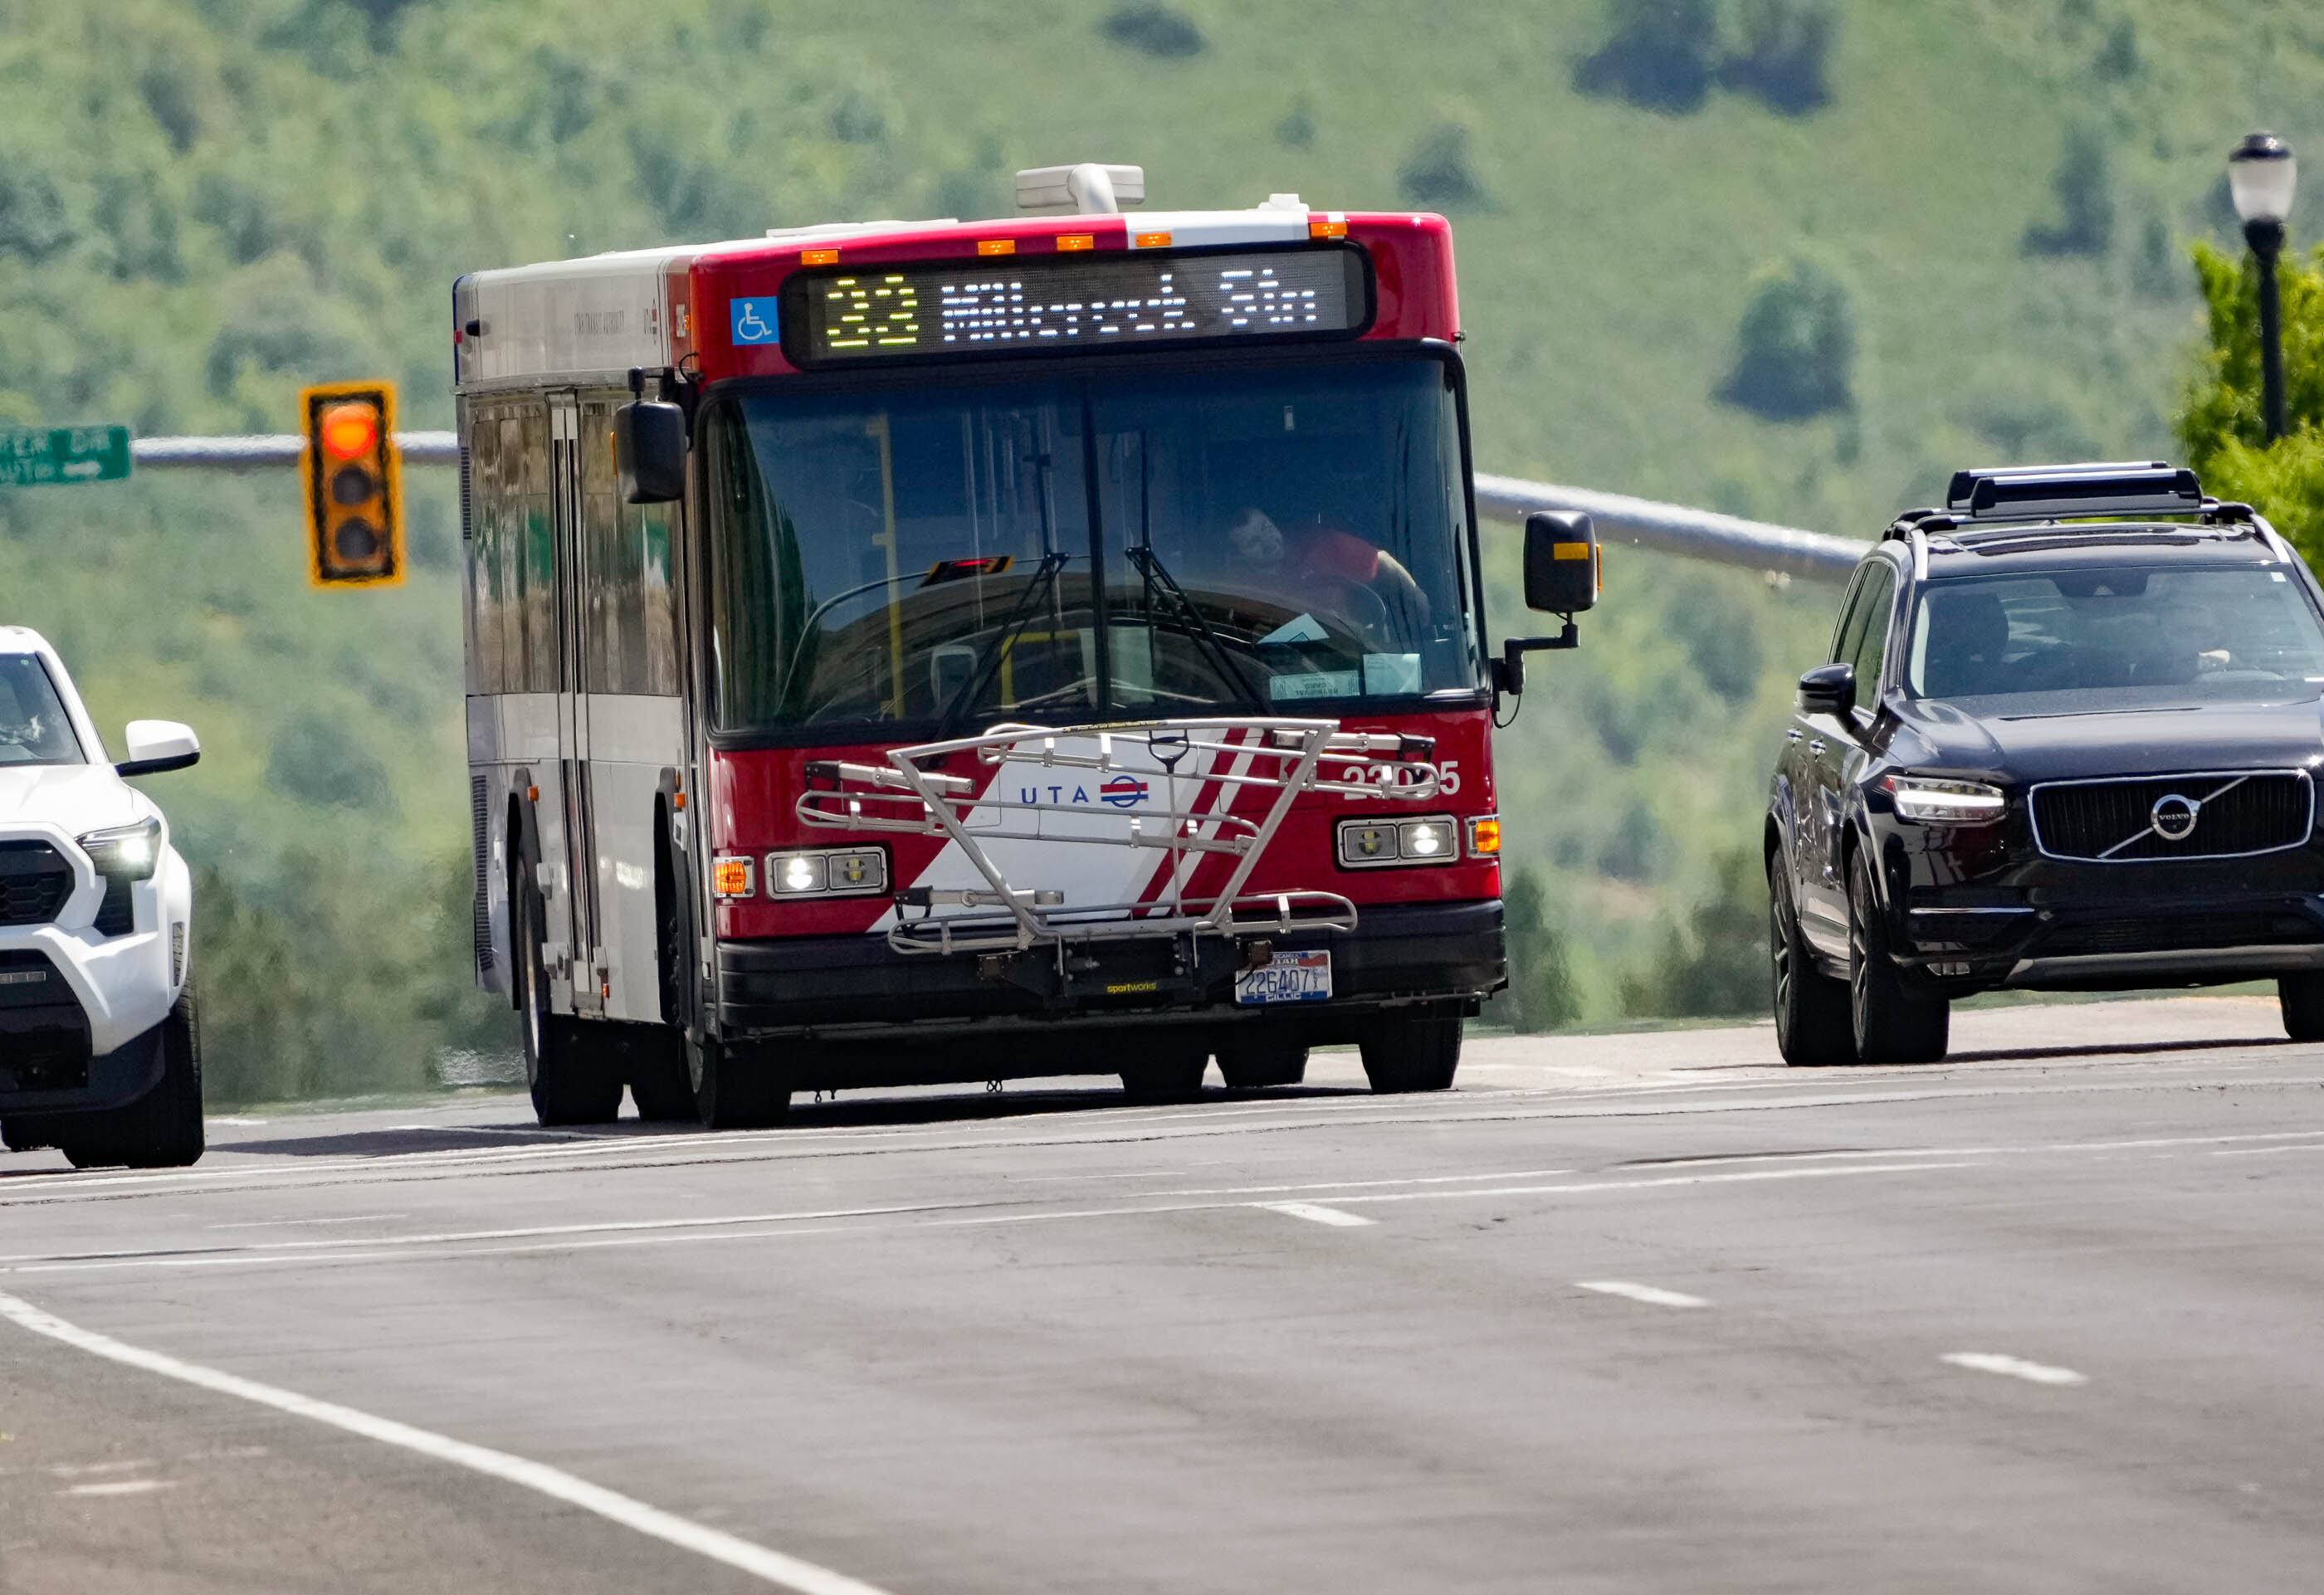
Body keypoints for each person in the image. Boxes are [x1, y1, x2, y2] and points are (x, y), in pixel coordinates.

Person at [1225, 507, 1429, 644]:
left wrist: (1416, 597)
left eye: (1266, 528)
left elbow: (1380, 561)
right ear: (1237, 555)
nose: (1269, 542)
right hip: (1286, 673)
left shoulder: (1317, 542)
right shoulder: (1234, 590)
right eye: (1254, 543)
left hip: (1359, 649)